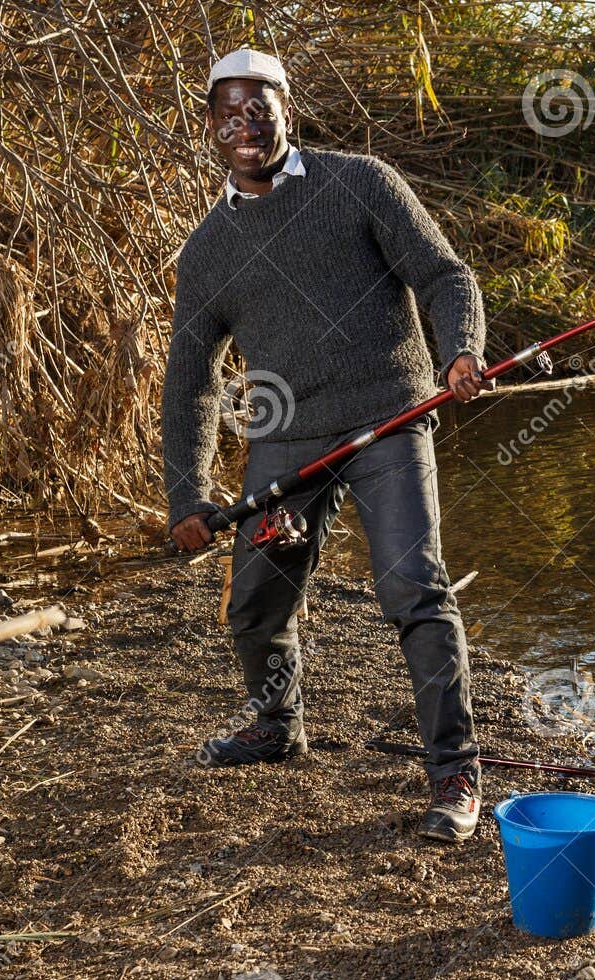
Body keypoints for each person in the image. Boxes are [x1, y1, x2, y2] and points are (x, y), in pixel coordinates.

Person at [161, 49, 491, 842]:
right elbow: (191, 381)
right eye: (228, 112)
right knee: (254, 606)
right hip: (286, 442)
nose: (245, 125)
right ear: (210, 126)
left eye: (259, 109)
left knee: (415, 588)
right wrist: (187, 493)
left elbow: (445, 277)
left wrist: (461, 350)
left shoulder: (361, 182)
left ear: (286, 111)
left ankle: (454, 772)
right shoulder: (207, 250)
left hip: (389, 418)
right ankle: (277, 725)